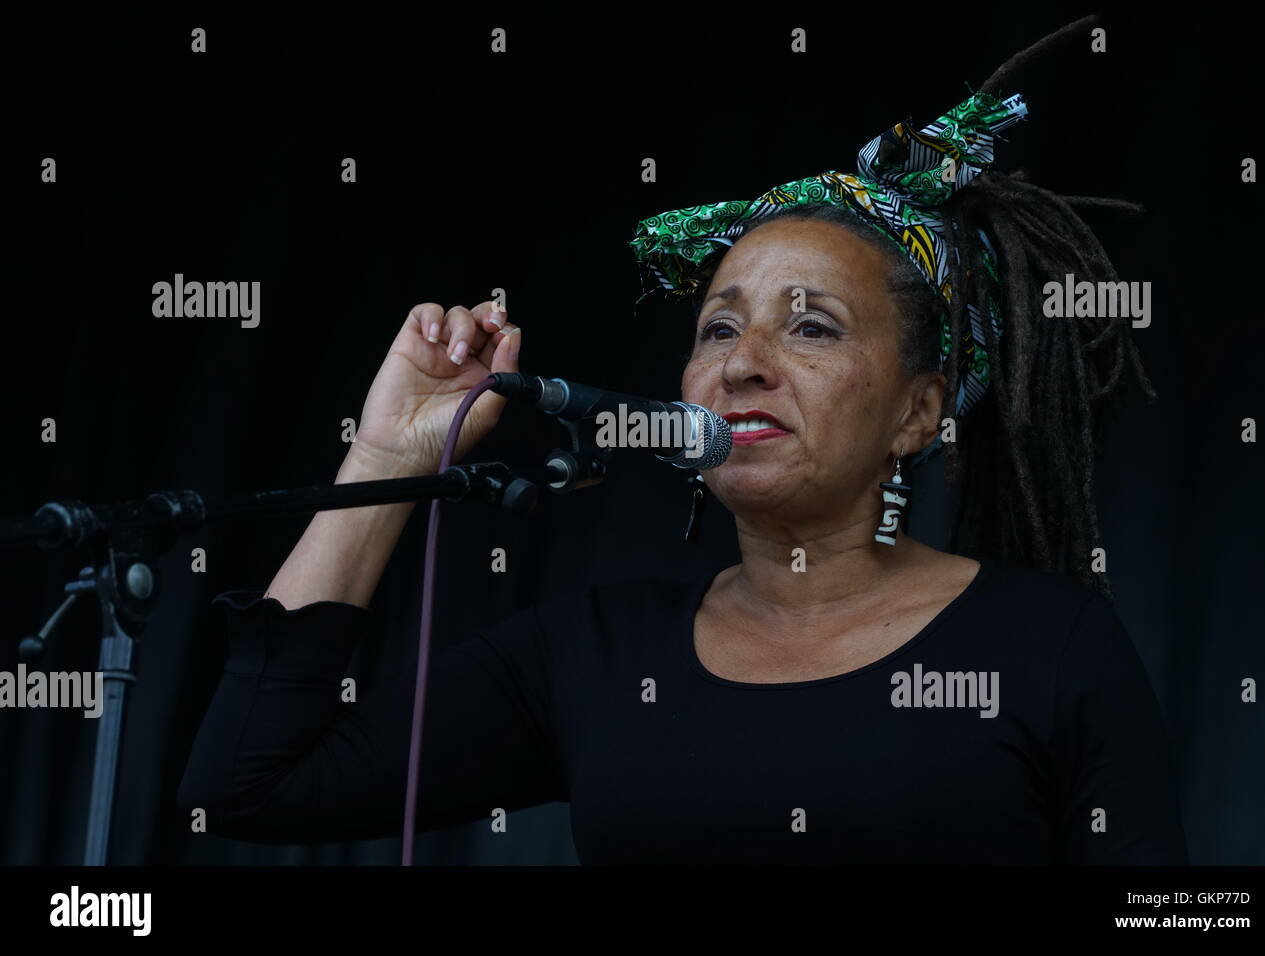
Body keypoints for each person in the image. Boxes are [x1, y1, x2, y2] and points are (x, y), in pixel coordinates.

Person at [177, 19, 1188, 864]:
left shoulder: (1049, 645)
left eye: (811, 324)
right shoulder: (595, 651)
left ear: (918, 411)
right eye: (717, 326)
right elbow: (249, 782)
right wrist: (392, 452)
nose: (741, 363)